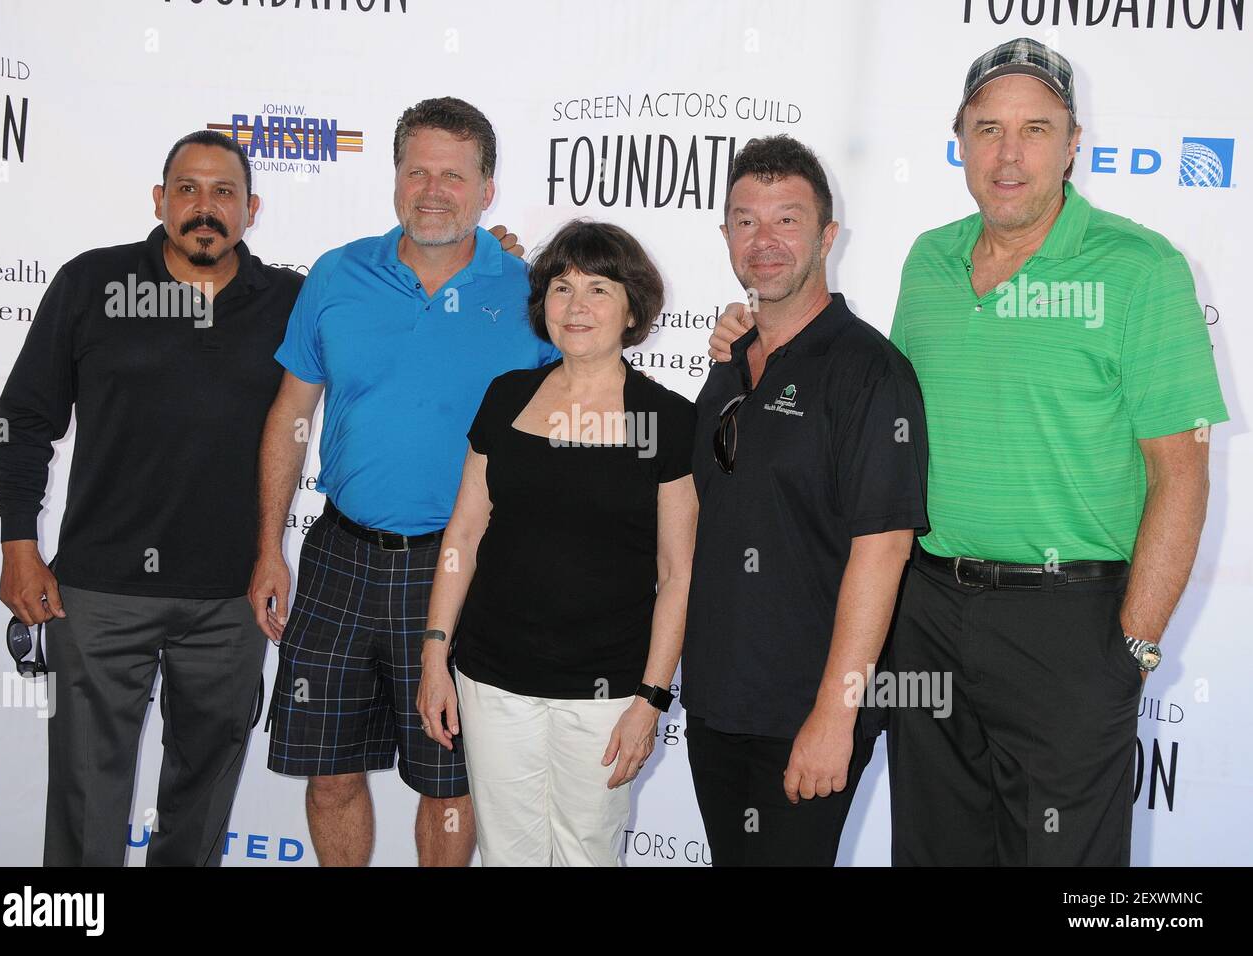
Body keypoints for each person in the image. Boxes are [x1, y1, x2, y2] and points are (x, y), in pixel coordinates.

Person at [710, 39, 1228, 866]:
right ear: (960, 140)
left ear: (1073, 144)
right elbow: (865, 406)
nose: (1009, 154)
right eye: (988, 128)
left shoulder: (1142, 270)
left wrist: (1131, 648)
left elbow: (1182, 471)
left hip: (1069, 624)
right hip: (928, 614)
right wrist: (748, 338)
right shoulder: (929, 262)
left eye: (1035, 128)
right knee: (933, 848)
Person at [253, 97, 558, 867]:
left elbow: (569, 438)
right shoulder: (336, 274)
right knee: (326, 774)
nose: (433, 189)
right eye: (417, 169)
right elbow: (292, 416)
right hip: (339, 555)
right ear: (394, 176)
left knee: (450, 783)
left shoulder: (532, 296)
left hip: (466, 569)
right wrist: (268, 549)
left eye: (454, 175)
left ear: (487, 189)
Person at [0, 130, 304, 866]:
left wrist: (483, 264)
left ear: (251, 209)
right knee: (83, 803)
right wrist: (16, 544)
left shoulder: (290, 300)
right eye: (188, 190)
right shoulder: (91, 283)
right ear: (159, 200)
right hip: (98, 591)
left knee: (198, 807)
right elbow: (24, 421)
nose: (206, 208)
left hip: (232, 597)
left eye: (224, 193)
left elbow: (384, 311)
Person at [416, 220, 698, 867]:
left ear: (633, 308)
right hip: (492, 681)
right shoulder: (506, 398)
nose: (577, 307)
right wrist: (435, 652)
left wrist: (651, 699)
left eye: (599, 289)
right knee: (507, 855)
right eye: (562, 288)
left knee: (586, 855)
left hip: (605, 693)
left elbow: (677, 572)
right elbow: (462, 532)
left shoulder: (666, 420)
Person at [684, 135, 929, 866]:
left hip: (805, 709)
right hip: (718, 698)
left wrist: (836, 712)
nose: (765, 240)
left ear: (827, 236)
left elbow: (883, 548)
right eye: (745, 220)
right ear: (725, 234)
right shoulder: (729, 364)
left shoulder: (870, 370)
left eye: (787, 220)